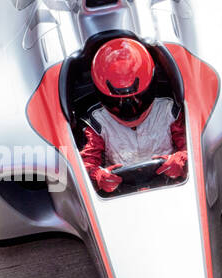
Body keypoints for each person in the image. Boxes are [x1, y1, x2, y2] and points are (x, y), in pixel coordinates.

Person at [79, 37, 189, 194]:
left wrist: (182, 161)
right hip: (121, 194)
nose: (129, 108)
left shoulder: (169, 110)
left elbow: (195, 148)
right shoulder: (97, 124)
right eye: (118, 102)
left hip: (172, 187)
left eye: (137, 98)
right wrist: (97, 176)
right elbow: (85, 163)